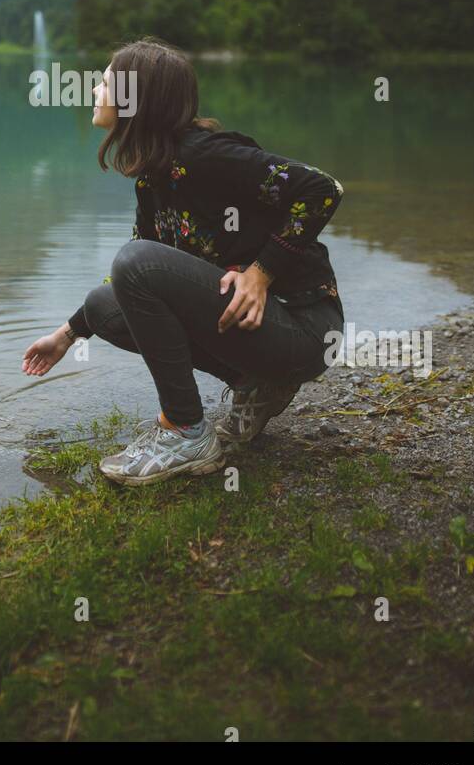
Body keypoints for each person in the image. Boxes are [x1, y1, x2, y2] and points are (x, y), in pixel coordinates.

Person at [21, 38, 345, 485]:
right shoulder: (155, 174)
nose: (94, 89)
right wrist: (65, 335)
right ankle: (258, 385)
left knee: (134, 262)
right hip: (261, 331)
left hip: (304, 327)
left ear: (137, 98)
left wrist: (261, 273)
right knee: (103, 305)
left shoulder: (205, 155)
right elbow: (131, 279)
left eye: (104, 81)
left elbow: (323, 188)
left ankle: (185, 431)